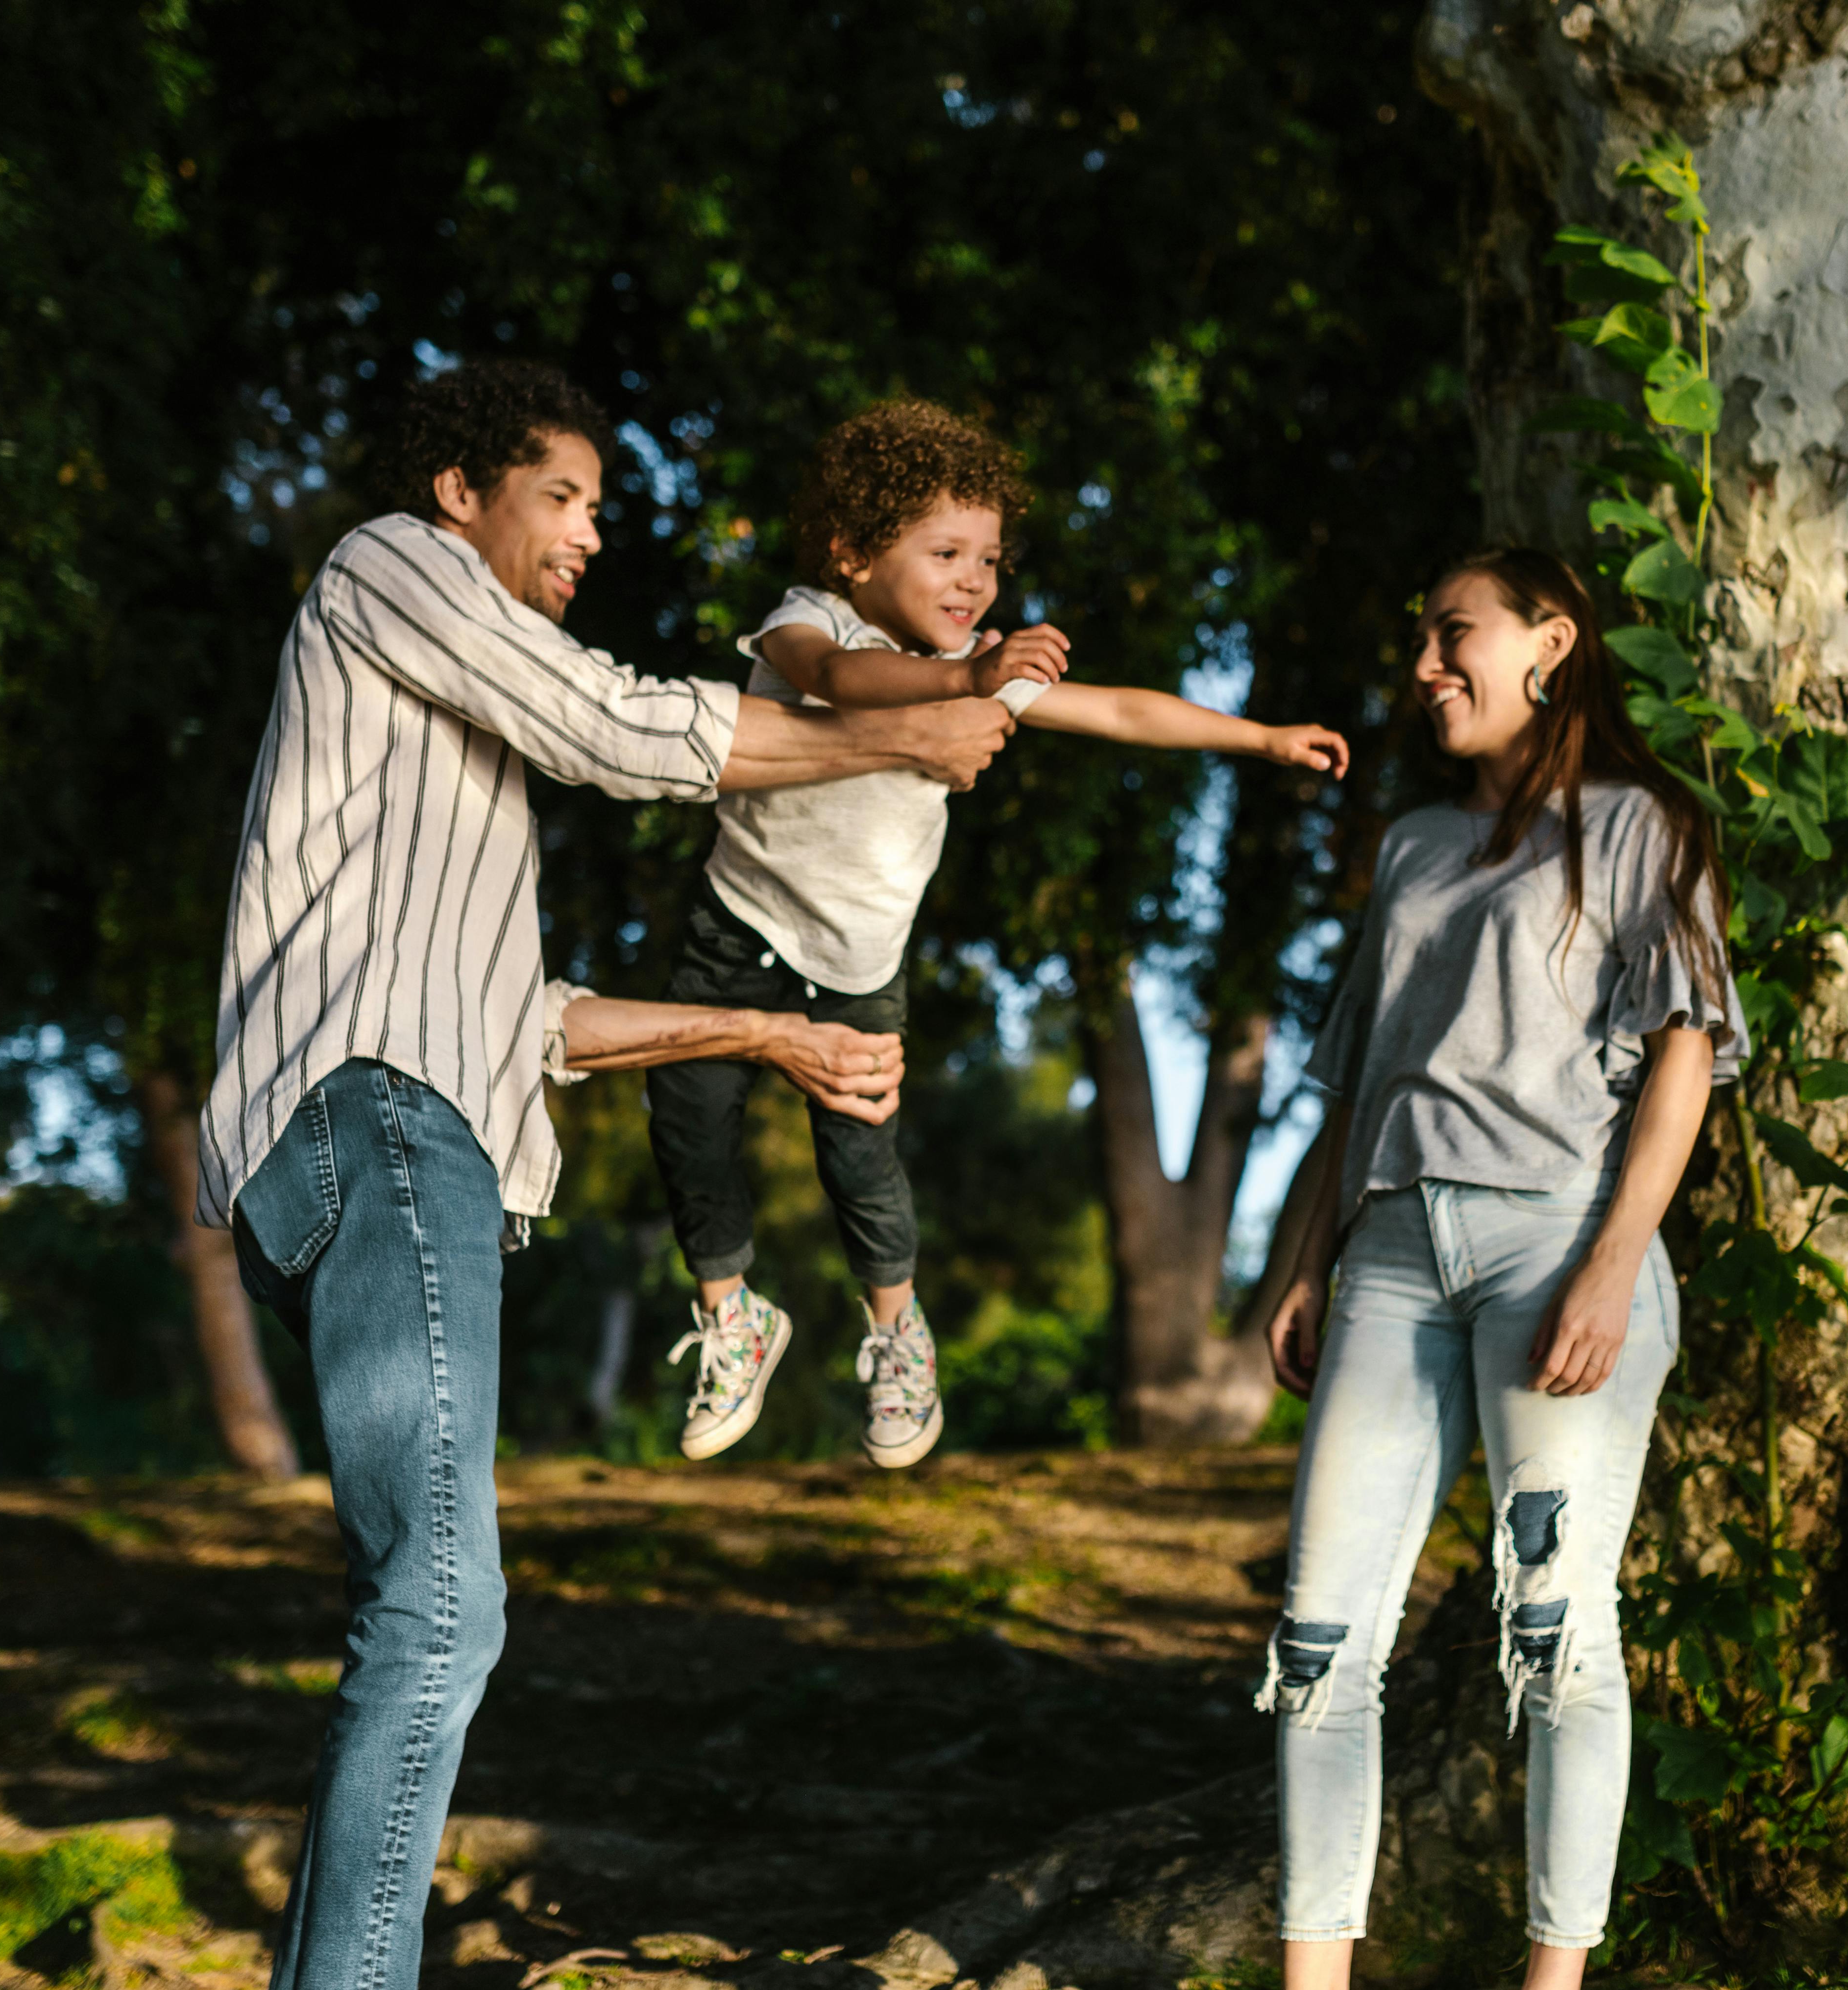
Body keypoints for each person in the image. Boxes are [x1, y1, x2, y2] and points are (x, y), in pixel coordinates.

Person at [192, 359, 1016, 1990]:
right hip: (380, 1124)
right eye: (559, 495)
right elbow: (612, 723)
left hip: (361, 1152)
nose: (588, 534)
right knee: (439, 1615)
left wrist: (770, 1038)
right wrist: (898, 729)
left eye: (595, 508)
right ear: (459, 493)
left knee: (429, 1611)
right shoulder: (389, 565)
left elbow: (532, 1019)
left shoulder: (441, 742)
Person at [647, 399, 1349, 1468]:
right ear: (851, 552)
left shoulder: (978, 661)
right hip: (735, 926)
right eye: (944, 552)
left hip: (856, 962)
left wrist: (1256, 736)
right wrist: (971, 677)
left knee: (858, 1157)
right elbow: (838, 684)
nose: (975, 581)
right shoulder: (810, 620)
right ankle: (733, 1313)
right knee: (689, 1117)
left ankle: (897, 1337)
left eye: (988, 558)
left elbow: (1117, 711)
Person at [1243, 548, 1748, 1990]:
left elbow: (1681, 1060)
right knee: (1318, 1633)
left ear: (1549, 642)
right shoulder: (1409, 846)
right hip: (1391, 1252)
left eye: (1449, 633)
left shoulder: (1639, 824)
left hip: (1557, 1240)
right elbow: (1360, 1082)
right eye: (1418, 640)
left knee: (1557, 1633)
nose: (1423, 666)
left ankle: (1550, 1980)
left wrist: (1611, 1264)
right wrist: (1302, 1257)